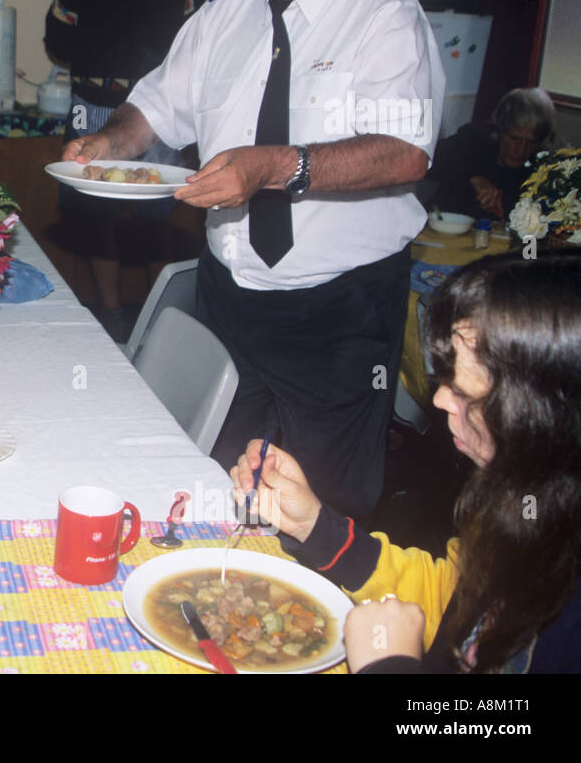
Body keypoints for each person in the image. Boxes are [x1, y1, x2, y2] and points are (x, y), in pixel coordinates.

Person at [64, 0, 445, 519]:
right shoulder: (225, 12)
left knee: (319, 507)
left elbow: (405, 152)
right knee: (214, 487)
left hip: (338, 312)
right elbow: (155, 104)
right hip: (229, 298)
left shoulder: (383, 16)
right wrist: (111, 140)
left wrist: (276, 166)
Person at [232, 250, 581, 672]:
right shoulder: (521, 507)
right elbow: (451, 603)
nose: (438, 399)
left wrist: (389, 665)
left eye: (465, 394)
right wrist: (314, 525)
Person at [46, 0, 204, 340]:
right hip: (154, 114)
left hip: (91, 104)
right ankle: (163, 323)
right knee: (157, 213)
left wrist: (95, 55)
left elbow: (56, 32)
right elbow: (200, 49)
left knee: (96, 215)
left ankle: (111, 316)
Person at [427, 87, 555, 220]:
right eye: (514, 138)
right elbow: (426, 162)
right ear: (500, 129)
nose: (521, 150)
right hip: (437, 226)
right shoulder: (472, 141)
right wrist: (474, 178)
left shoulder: (539, 171)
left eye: (531, 142)